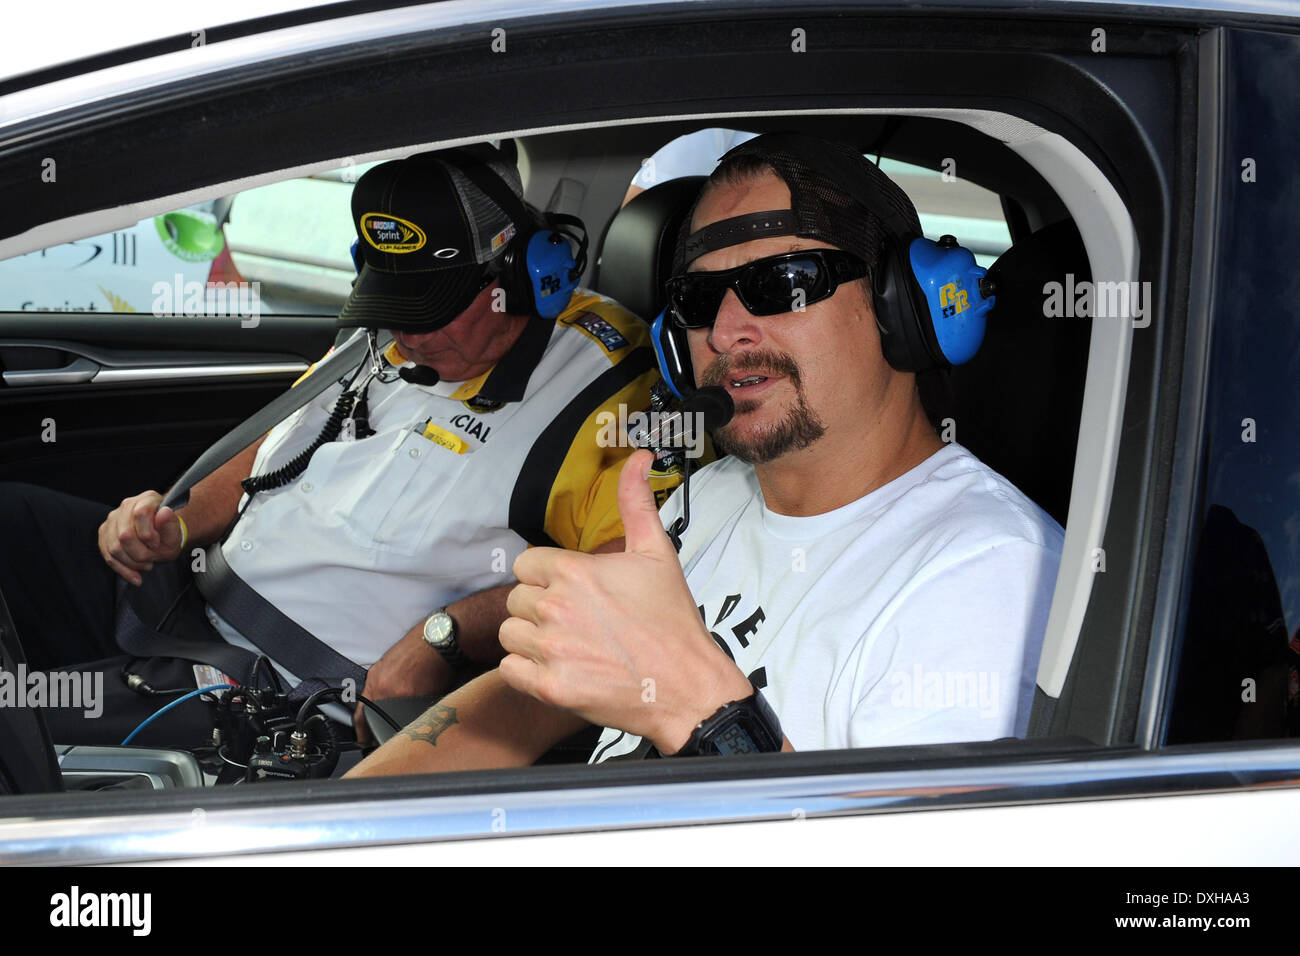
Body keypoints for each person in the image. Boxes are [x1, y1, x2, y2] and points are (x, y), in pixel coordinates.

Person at [347, 132, 1063, 776]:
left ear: (906, 303)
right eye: (697, 299)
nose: (724, 333)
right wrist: (347, 814)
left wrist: (701, 712)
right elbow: (523, 703)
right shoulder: (705, 498)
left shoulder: (987, 570)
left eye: (780, 284)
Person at [0, 144, 682, 748]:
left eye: (429, 306)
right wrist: (176, 526)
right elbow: (277, 441)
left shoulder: (610, 391)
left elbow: (622, 580)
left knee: (16, 724)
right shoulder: (381, 333)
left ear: (525, 274)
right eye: (391, 300)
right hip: (183, 595)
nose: (404, 333)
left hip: (278, 694)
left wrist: (443, 634)